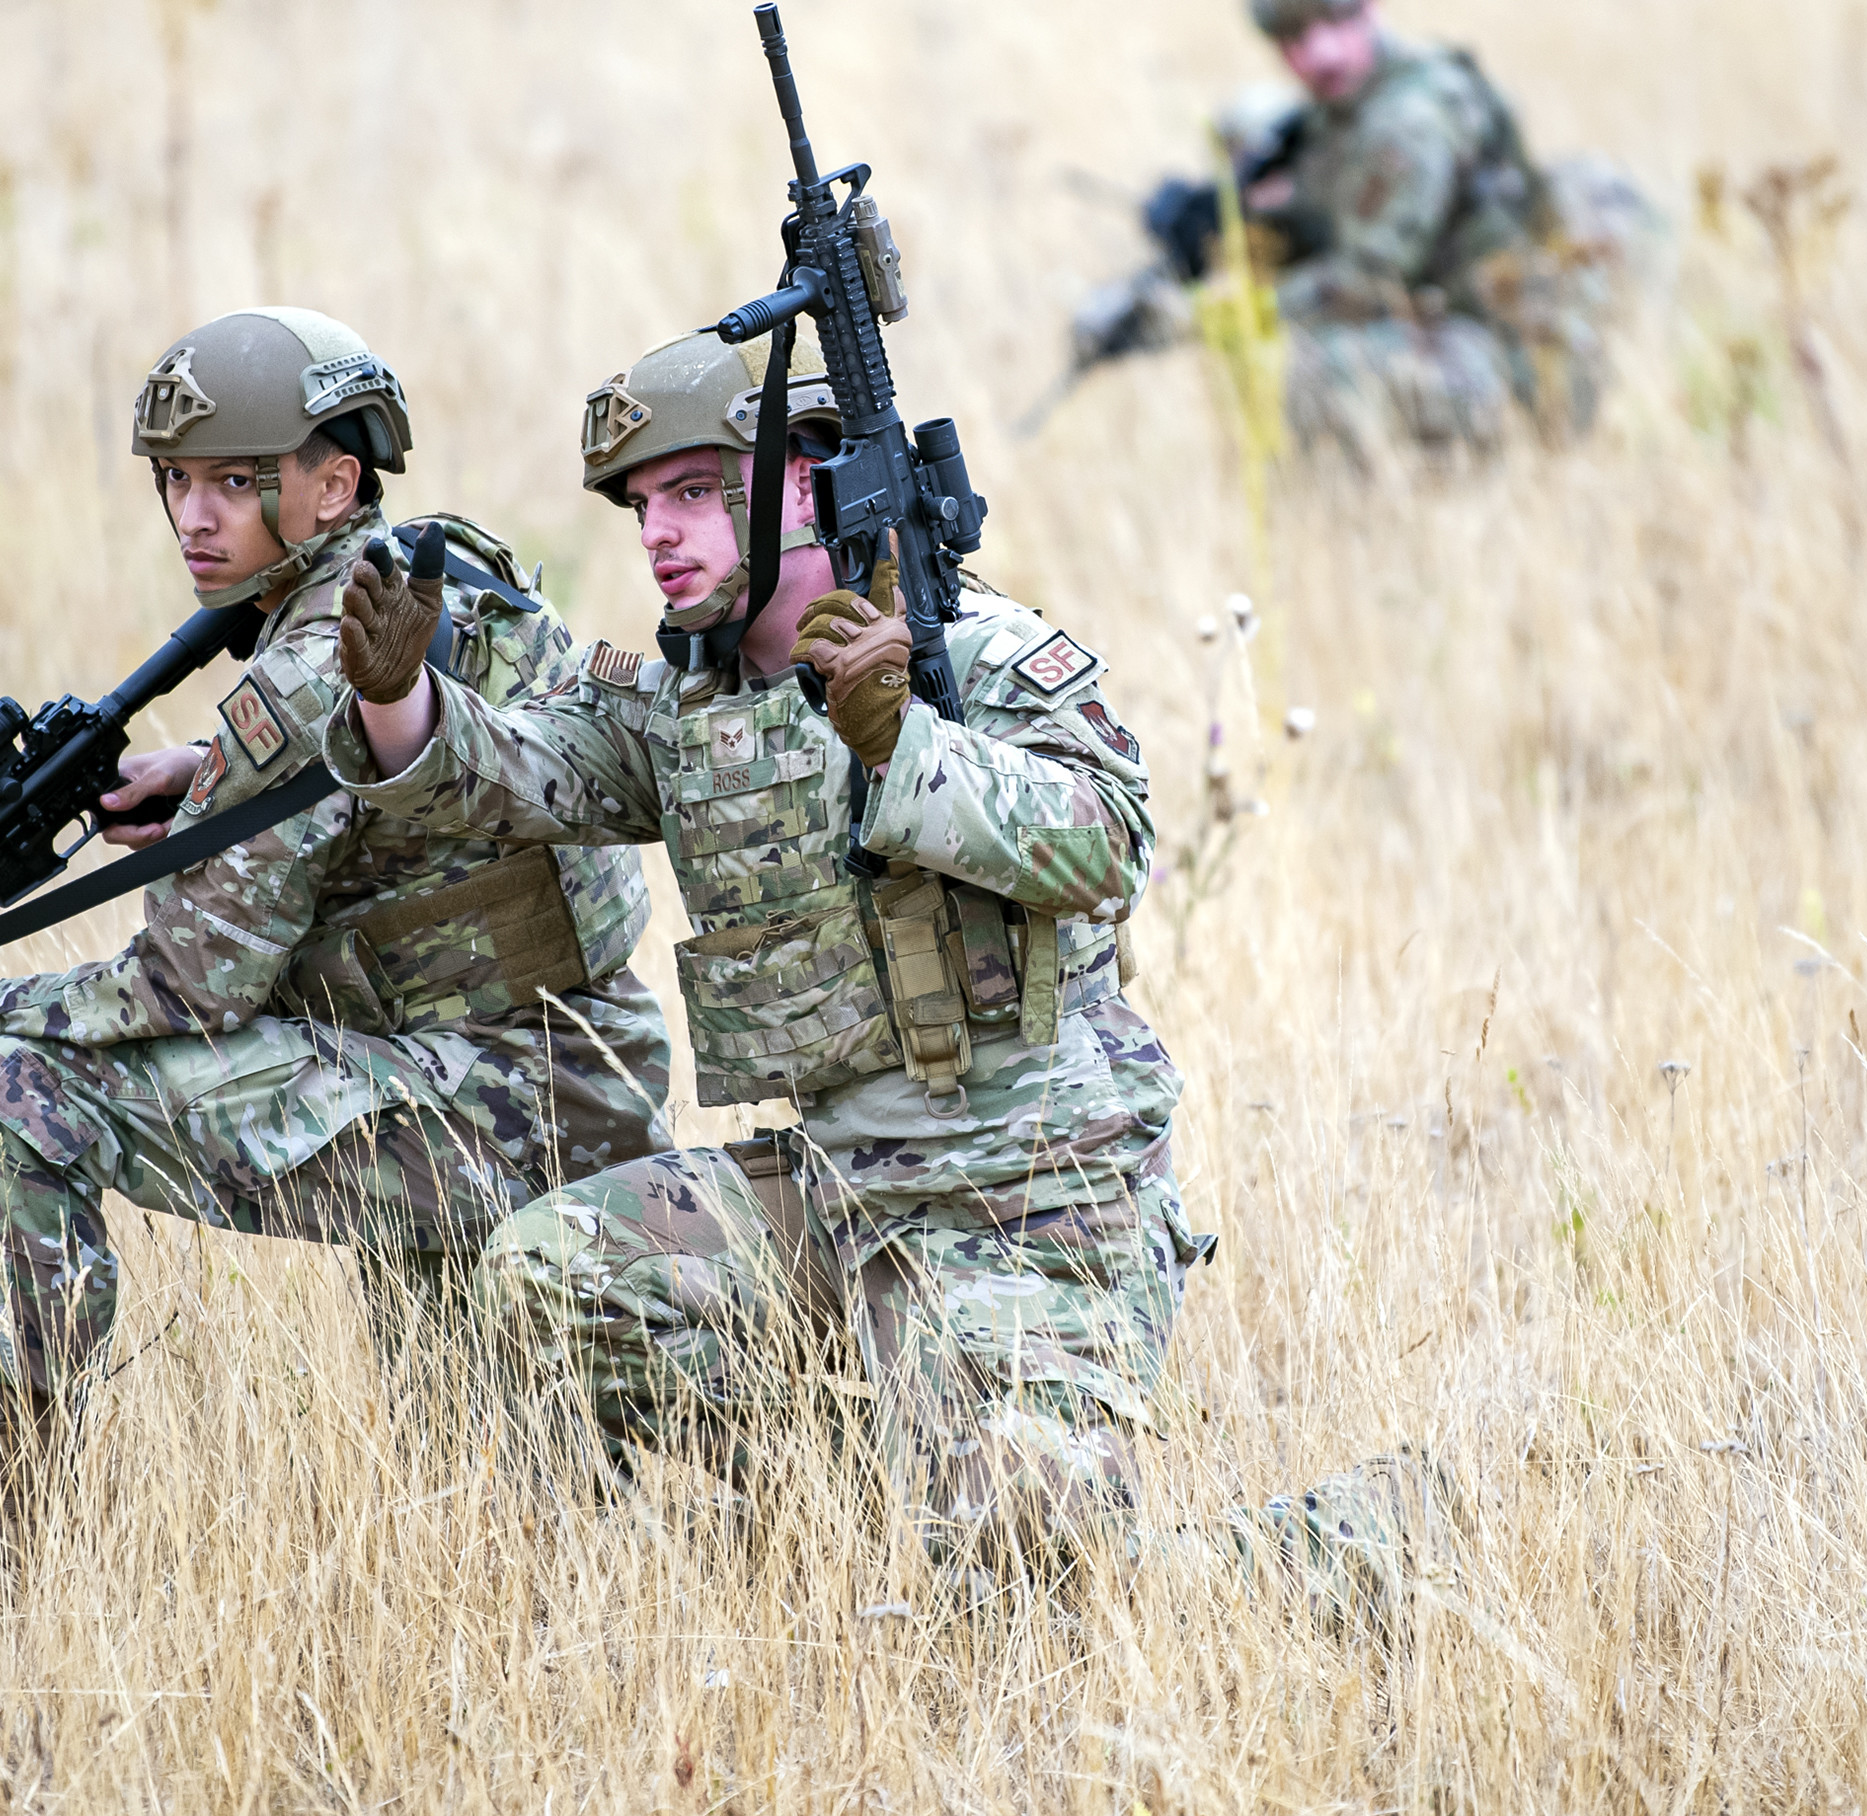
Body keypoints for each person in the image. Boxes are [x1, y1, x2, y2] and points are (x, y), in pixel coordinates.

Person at [319, 326, 1205, 1574]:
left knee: (1027, 1560)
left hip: (1031, 1192)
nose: (659, 534)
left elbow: (1109, 845)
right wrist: (395, 698)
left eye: (693, 491)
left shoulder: (973, 653)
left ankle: (1353, 1550)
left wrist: (904, 747)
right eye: (641, 506)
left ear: (805, 480)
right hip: (840, 1186)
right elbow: (514, 773)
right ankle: (848, 1513)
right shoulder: (691, 700)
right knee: (547, 1275)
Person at [0, 307, 672, 1517]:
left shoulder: (313, 666)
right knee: (507, 1492)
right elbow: (394, 810)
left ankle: (12, 1521)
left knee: (27, 1089)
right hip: (555, 1064)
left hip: (493, 1097)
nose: (194, 514)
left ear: (334, 485)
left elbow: (184, 988)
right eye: (176, 481)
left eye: (234, 480)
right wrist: (211, 776)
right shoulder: (424, 572)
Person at [1242, 0, 1606, 463]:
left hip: (1520, 361)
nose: (1321, 54)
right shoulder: (1340, 112)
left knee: (1327, 362)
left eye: (1336, 21)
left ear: (1371, 6)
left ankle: (1368, 511)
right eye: (1295, 36)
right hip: (1473, 338)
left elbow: (1368, 281)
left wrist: (1216, 315)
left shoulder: (1409, 119)